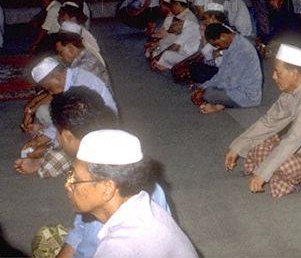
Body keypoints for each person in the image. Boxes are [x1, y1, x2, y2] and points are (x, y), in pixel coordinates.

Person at [45, 88, 172, 258]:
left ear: (67, 135)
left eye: (75, 179)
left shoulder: (109, 221)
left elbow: (87, 250)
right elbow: (79, 230)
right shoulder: (116, 163)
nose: (67, 184)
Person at [224, 44, 301, 198]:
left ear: (294, 73)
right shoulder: (291, 93)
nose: (274, 77)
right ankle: (276, 174)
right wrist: (237, 147)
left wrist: (263, 174)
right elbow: (268, 122)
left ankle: (283, 180)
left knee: (284, 164)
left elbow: (293, 139)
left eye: (278, 72)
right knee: (260, 141)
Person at [66, 130, 197, 257]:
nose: (67, 185)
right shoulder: (143, 202)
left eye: (75, 179)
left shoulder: (118, 247)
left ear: (108, 188)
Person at [16, 57, 118, 176]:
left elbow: (76, 128)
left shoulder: (81, 84)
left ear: (58, 76)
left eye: (49, 88)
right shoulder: (71, 79)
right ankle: (48, 151)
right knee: (44, 112)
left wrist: (48, 144)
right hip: (80, 124)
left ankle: (43, 160)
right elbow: (65, 118)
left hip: (99, 131)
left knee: (62, 154)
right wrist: (43, 137)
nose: (51, 93)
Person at [191, 23, 262, 114]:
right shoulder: (230, 45)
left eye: (217, 44)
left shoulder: (243, 50)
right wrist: (203, 87)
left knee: (209, 94)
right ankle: (216, 102)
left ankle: (218, 106)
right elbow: (221, 73)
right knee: (203, 86)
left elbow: (231, 83)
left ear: (223, 36)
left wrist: (206, 89)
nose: (217, 48)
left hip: (246, 95)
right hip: (233, 87)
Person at [54, 22, 111, 91]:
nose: (60, 57)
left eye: (61, 53)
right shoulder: (82, 51)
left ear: (71, 49)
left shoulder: (84, 67)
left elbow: (62, 89)